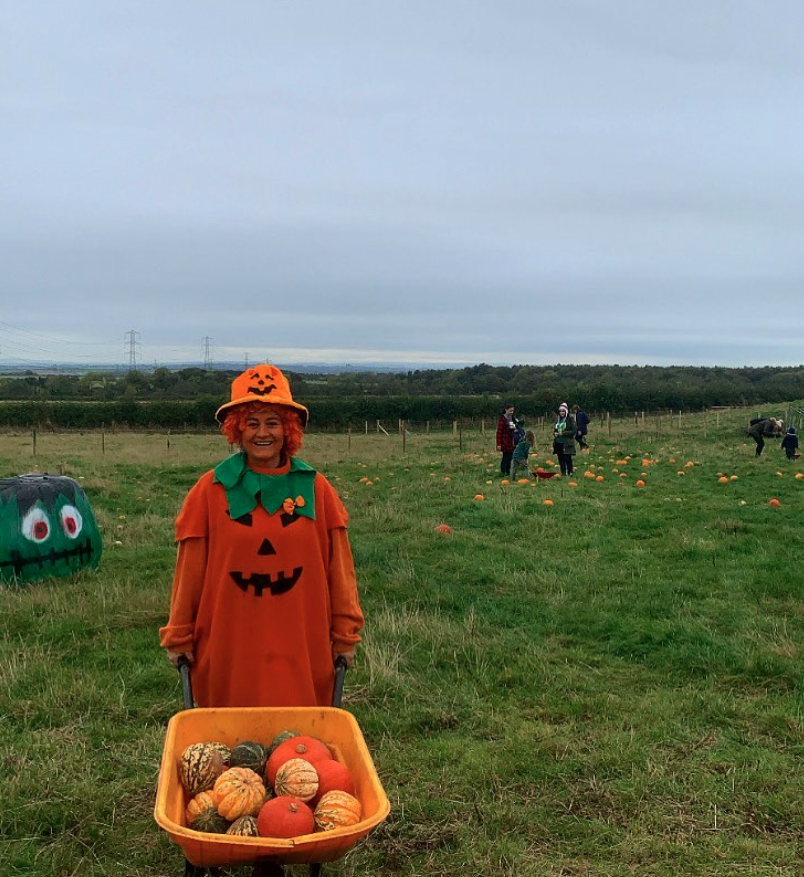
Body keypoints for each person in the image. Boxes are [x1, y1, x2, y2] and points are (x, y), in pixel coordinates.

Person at [159, 364, 364, 708]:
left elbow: (340, 569)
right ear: (237, 429)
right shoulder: (209, 491)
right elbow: (189, 572)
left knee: (299, 732)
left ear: (288, 429)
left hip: (301, 642)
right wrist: (179, 633)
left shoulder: (317, 489)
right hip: (228, 642)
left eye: (272, 423)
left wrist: (345, 633)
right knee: (229, 733)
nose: (262, 433)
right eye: (252, 423)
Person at [552, 402, 577, 476]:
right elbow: (555, 429)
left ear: (566, 411)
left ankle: (570, 472)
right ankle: (563, 473)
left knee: (567, 458)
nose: (561, 413)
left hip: (567, 442)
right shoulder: (558, 419)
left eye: (563, 411)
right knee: (560, 458)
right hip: (558, 442)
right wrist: (555, 433)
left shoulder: (570, 419)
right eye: (560, 411)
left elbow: (573, 431)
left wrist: (563, 433)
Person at [496, 404, 516, 476]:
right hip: (504, 442)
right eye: (510, 411)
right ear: (506, 410)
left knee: (510, 457)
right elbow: (499, 432)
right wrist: (499, 444)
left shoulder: (511, 418)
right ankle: (503, 472)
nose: (511, 412)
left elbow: (513, 429)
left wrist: (514, 428)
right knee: (505, 457)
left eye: (512, 411)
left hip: (511, 441)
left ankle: (508, 471)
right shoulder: (502, 419)